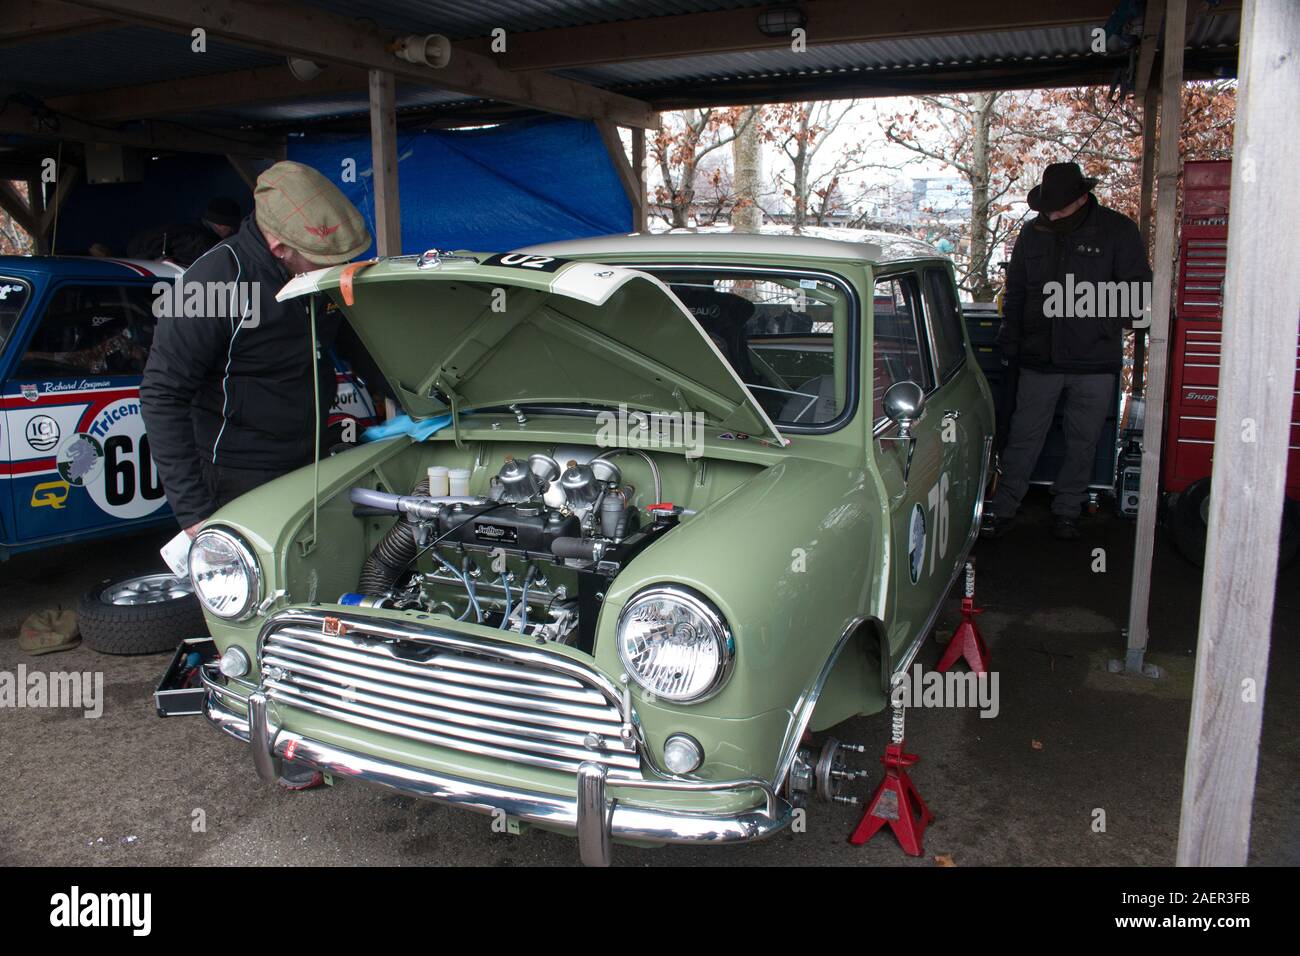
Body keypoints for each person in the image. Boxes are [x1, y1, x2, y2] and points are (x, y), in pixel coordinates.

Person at [141, 161, 371, 789]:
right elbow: (160, 394)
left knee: (319, 594)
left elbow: (355, 341)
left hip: (308, 463)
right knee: (265, 615)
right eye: (318, 263)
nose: (329, 275)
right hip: (235, 478)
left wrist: (402, 401)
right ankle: (286, 743)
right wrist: (193, 516)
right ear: (276, 245)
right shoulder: (214, 282)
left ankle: (346, 717)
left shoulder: (310, 275)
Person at [983, 162, 1152, 541]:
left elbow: (1140, 296)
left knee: (1083, 442)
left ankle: (1068, 510)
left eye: (1058, 208)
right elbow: (1016, 292)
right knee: (1023, 436)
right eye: (1047, 208)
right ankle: (1004, 507)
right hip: (1038, 359)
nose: (1051, 215)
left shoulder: (1118, 231)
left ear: (1082, 198)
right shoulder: (1033, 232)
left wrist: (1093, 317)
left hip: (1095, 362)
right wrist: (1010, 340)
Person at [126, 196, 243, 265]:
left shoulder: (187, 230)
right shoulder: (201, 243)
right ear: (220, 225)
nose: (233, 232)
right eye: (232, 228)